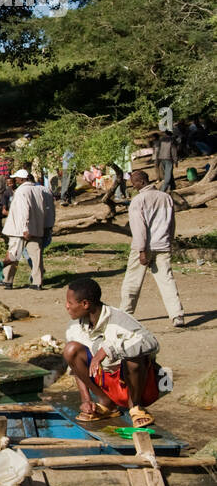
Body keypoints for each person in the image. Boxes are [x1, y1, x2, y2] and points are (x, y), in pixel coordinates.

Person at [63, 277, 162, 427]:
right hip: (106, 383)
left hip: (137, 384)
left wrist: (108, 349)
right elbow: (76, 369)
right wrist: (86, 400)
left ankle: (135, 407)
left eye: (70, 303)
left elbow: (152, 342)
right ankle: (106, 403)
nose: (67, 306)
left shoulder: (119, 319)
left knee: (134, 356)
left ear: (85, 304)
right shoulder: (74, 327)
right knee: (71, 350)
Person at [121, 170, 185, 328]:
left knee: (132, 281)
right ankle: (177, 315)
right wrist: (169, 240)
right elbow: (171, 223)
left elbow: (139, 229)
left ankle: (125, 313)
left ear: (142, 182)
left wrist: (142, 250)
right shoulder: (165, 197)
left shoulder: (138, 201)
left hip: (144, 247)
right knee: (167, 280)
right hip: (162, 244)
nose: (132, 185)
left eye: (134, 182)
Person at [1, 169, 45, 289]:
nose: (15, 180)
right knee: (36, 256)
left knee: (14, 254)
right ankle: (38, 281)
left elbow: (24, 211)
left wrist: (25, 228)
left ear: (22, 179)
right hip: (35, 228)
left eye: (17, 178)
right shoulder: (38, 189)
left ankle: (7, 280)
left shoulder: (21, 191)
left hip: (20, 230)